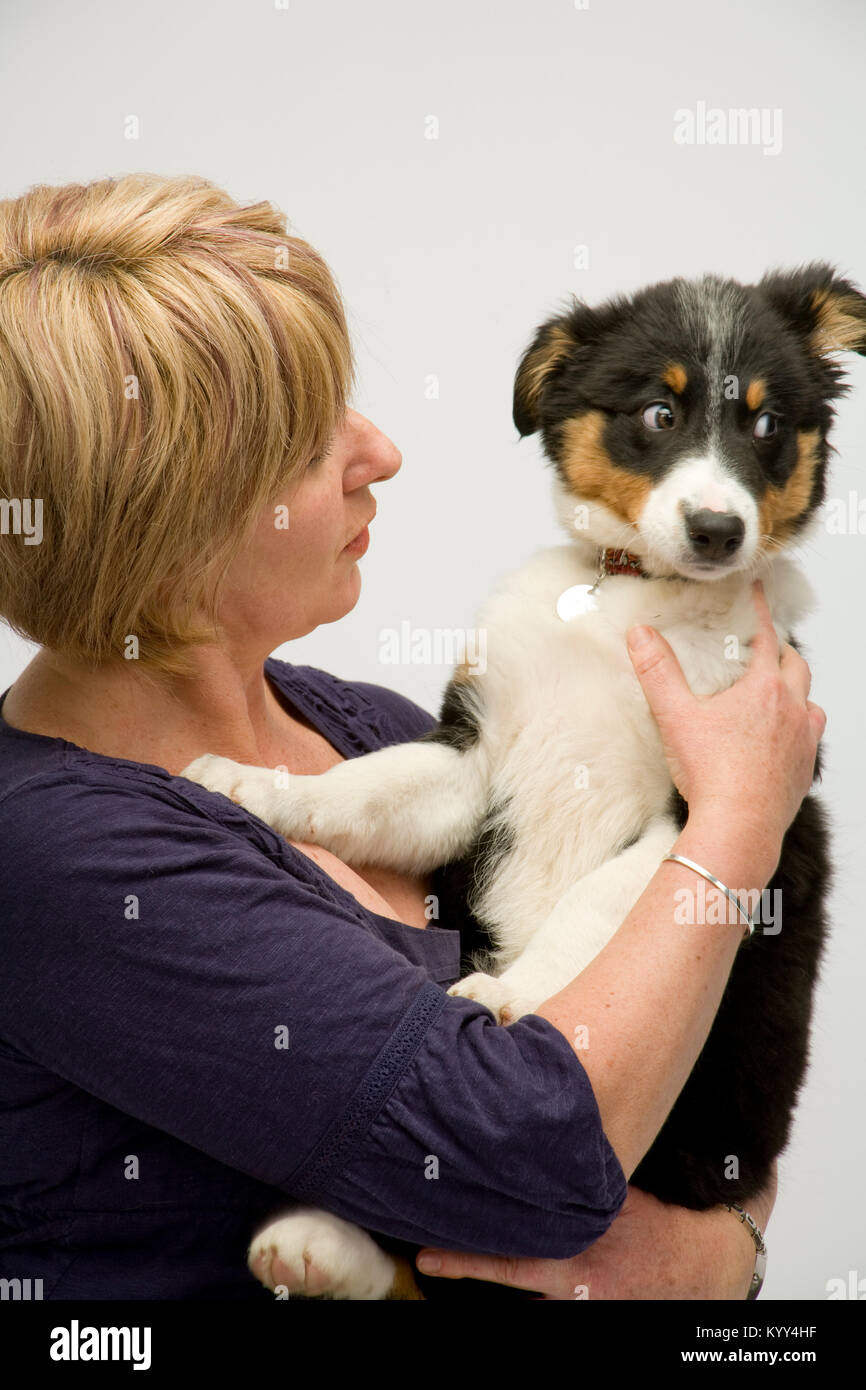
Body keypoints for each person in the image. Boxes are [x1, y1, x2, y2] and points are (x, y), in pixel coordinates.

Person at [0, 173, 823, 1301]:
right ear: (161, 511)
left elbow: (710, 1038)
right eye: (305, 438)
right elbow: (523, 1154)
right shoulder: (60, 860)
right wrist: (735, 823)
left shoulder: (353, 725)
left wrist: (724, 1241)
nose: (379, 450)